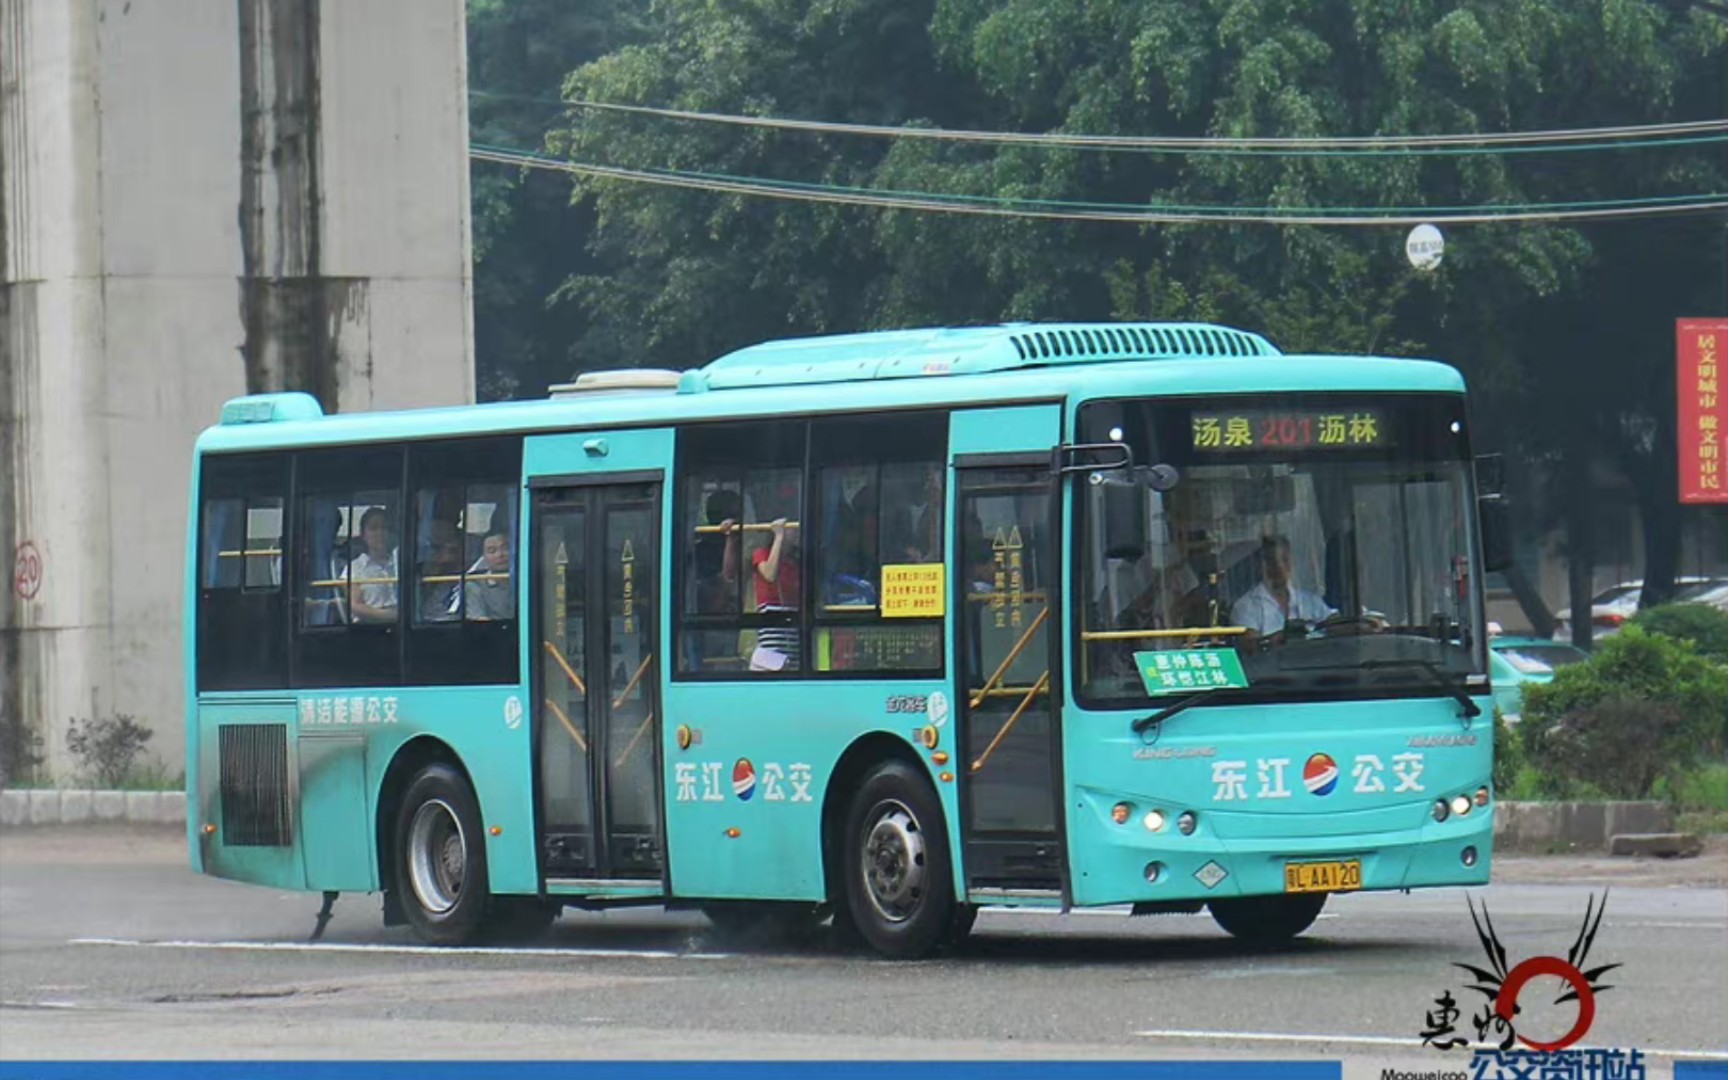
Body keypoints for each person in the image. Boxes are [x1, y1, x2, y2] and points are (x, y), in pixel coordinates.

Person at [1230, 534, 1335, 638]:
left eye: (1284, 560)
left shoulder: (1311, 602)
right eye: (1272, 561)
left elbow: (1336, 624)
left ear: (1291, 563)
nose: (1279, 567)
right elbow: (1251, 644)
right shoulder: (1245, 607)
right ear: (1261, 565)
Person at [751, 517, 800, 670]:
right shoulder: (762, 554)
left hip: (793, 638)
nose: (796, 533)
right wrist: (779, 536)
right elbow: (770, 574)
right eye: (792, 529)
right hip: (772, 639)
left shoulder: (796, 563)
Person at [349, 507, 399, 623]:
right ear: (363, 535)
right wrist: (390, 616)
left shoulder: (398, 563)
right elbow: (355, 606)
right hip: (370, 627)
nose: (380, 533)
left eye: (384, 528)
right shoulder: (355, 567)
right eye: (373, 528)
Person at [417, 520, 465, 623]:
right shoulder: (426, 574)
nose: (447, 557)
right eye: (438, 549)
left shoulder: (471, 581)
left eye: (453, 551)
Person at [465, 529, 515, 621]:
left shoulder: (527, 580)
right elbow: (479, 619)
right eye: (492, 551)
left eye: (506, 548)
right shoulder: (474, 584)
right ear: (483, 556)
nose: (500, 555)